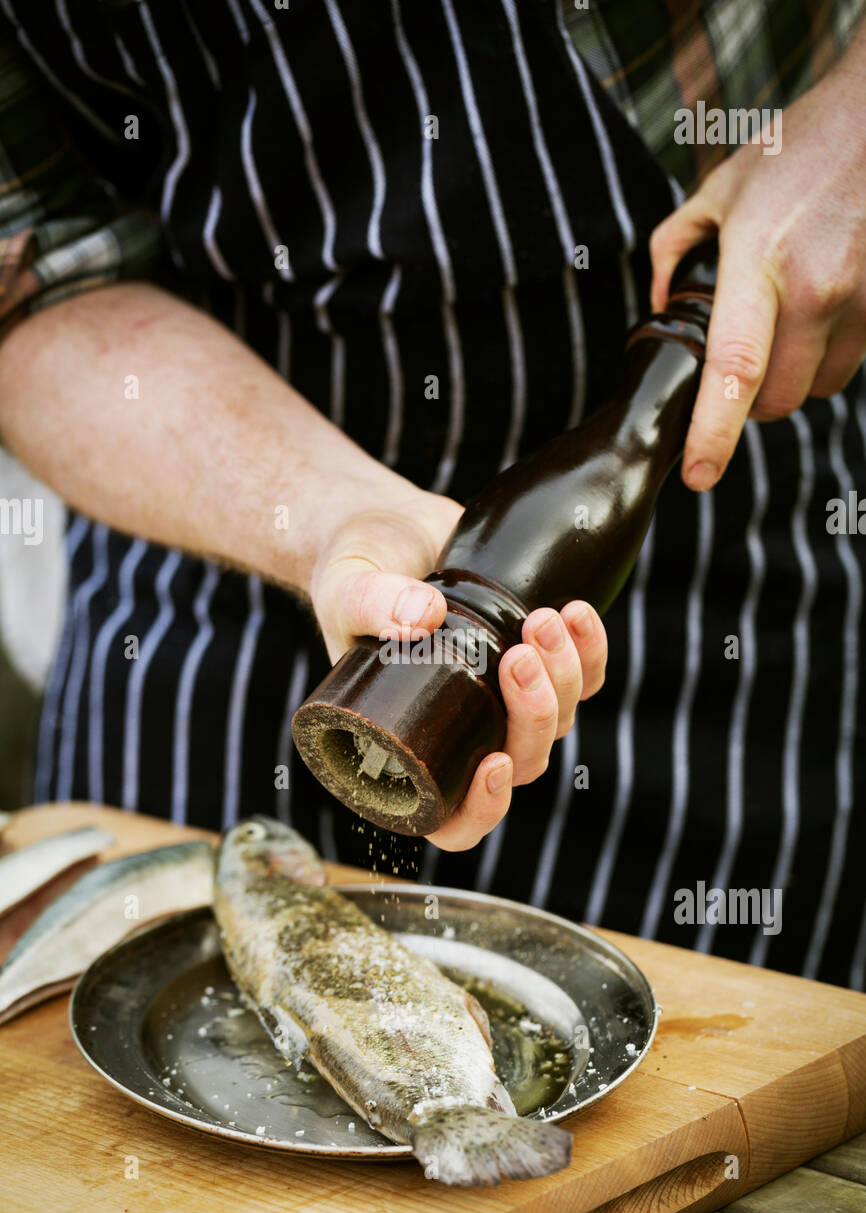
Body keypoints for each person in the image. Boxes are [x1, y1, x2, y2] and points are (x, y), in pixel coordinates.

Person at [0, 1, 863, 988]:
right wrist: (327, 521)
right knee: (134, 1047)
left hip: (715, 435)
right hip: (207, 483)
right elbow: (34, 278)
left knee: (694, 1087)